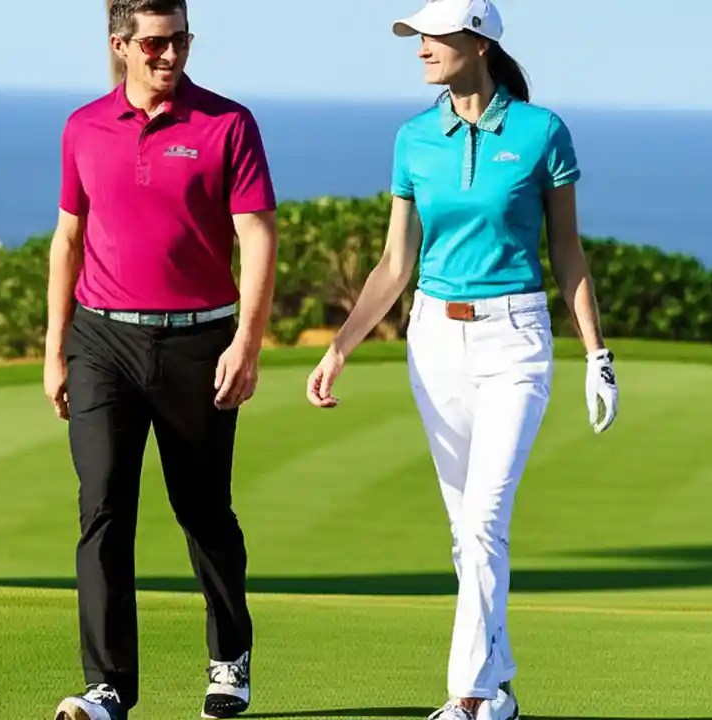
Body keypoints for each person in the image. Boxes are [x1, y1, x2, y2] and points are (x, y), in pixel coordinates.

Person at [305, 1, 619, 718]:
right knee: (468, 531)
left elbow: (567, 252)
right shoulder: (414, 138)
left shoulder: (541, 132)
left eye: (434, 35)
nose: (421, 47)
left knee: (482, 522)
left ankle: (469, 697)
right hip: (434, 342)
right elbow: (395, 264)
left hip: (516, 340)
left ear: (478, 42)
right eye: (417, 36)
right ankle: (499, 685)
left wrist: (596, 354)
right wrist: (340, 348)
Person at [43, 1, 278, 718]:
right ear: (121, 45)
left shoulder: (228, 124)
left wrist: (247, 342)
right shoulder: (83, 127)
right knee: (102, 509)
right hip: (101, 341)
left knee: (203, 510)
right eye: (154, 44)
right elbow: (68, 238)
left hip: (198, 342)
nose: (170, 54)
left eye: (180, 40)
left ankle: (229, 659)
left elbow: (258, 236)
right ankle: (107, 686)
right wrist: (54, 350)